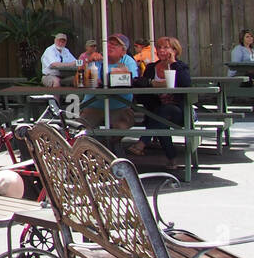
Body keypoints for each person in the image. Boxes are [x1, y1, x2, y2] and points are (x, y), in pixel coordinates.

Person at [127, 36, 191, 169]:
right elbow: (142, 86)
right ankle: (172, 159)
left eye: (166, 47)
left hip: (180, 111)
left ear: (174, 50)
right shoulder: (151, 68)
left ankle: (143, 142)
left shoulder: (180, 67)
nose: (162, 50)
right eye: (159, 47)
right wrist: (151, 84)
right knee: (160, 118)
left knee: (164, 112)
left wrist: (172, 63)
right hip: (156, 110)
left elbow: (186, 85)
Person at [78, 33, 139, 139]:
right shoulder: (95, 60)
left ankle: (111, 150)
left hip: (120, 107)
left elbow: (132, 80)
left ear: (123, 51)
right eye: (109, 43)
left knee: (119, 129)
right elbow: (79, 83)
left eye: (115, 45)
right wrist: (87, 63)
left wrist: (119, 75)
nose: (110, 46)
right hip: (93, 106)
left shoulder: (128, 61)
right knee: (79, 131)